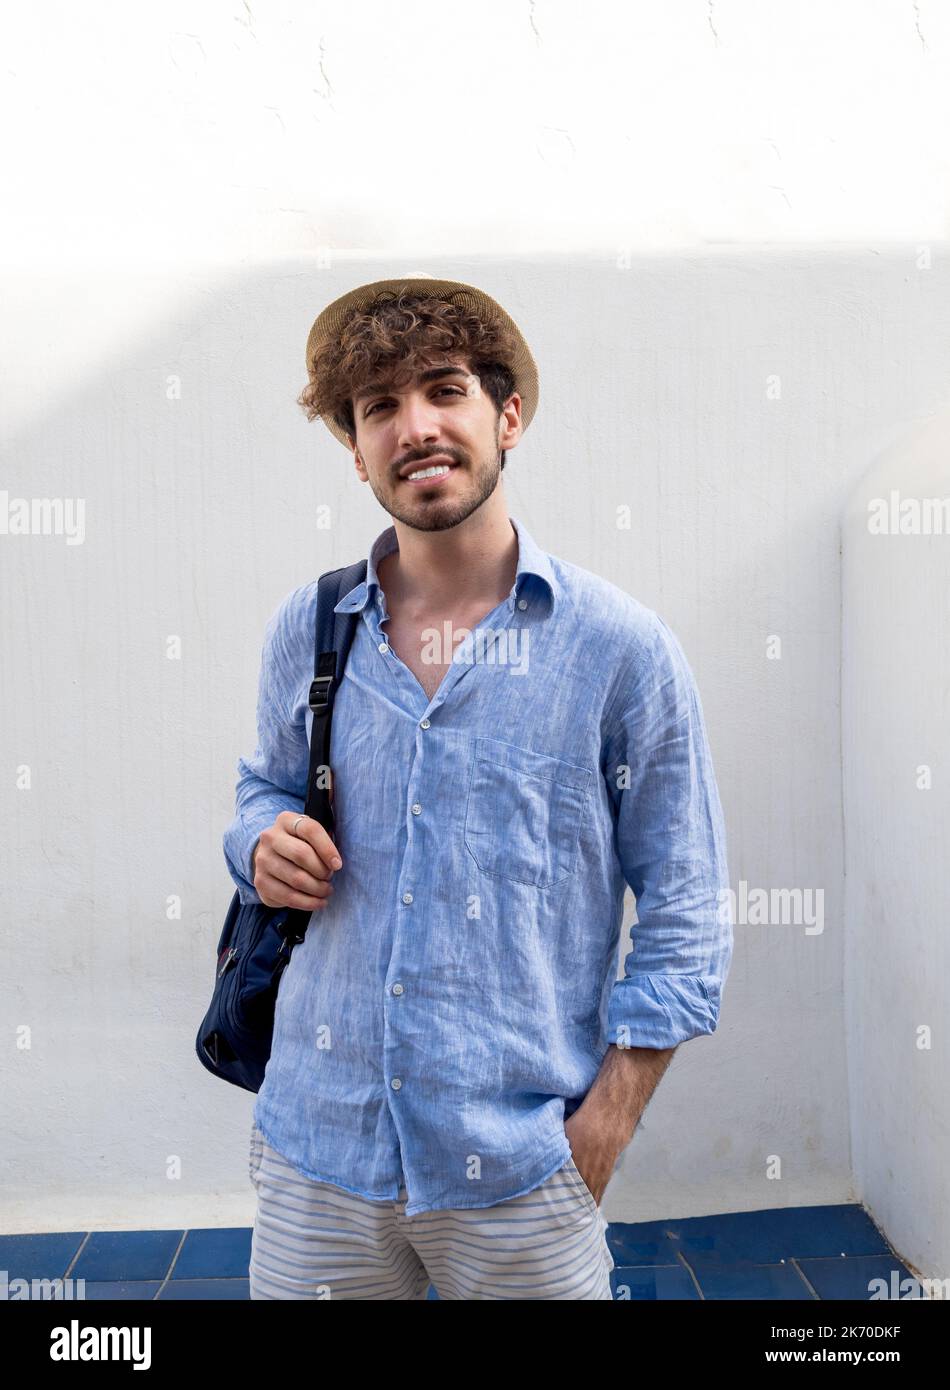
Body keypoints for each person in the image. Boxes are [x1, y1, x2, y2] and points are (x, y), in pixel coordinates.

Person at [223, 274, 733, 1300]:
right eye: (378, 407)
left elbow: (687, 907)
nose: (414, 426)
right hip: (318, 1156)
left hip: (519, 1168)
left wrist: (607, 1119)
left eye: (443, 390)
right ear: (356, 448)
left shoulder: (619, 650)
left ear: (504, 417)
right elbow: (261, 789)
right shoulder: (309, 627)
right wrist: (259, 839)